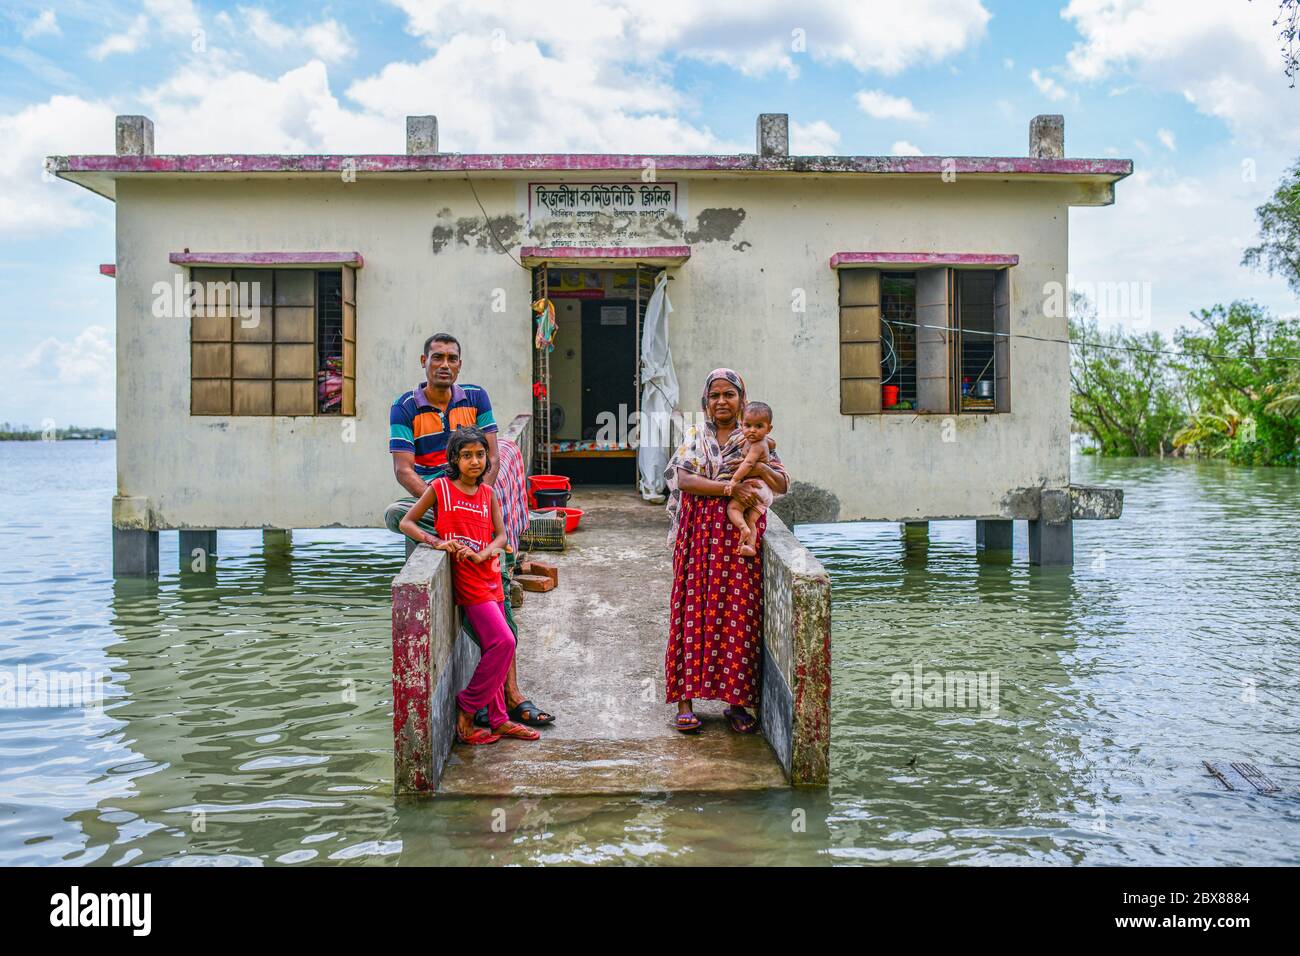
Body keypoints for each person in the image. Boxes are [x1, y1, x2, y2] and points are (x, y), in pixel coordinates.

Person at [384, 332, 555, 728]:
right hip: (436, 497)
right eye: (437, 357)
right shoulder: (405, 406)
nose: (445, 364)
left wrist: (477, 503)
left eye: (452, 358)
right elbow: (403, 469)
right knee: (396, 512)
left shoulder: (475, 397)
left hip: (477, 500)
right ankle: (497, 700)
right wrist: (447, 503)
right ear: (422, 360)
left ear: (460, 364)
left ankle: (511, 694)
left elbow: (492, 457)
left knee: (498, 603)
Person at [663, 369, 788, 734]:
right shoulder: (695, 436)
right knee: (690, 610)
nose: (722, 401)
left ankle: (735, 703)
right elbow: (682, 479)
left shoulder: (756, 438)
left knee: (739, 613)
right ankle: (685, 701)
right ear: (706, 402)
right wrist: (728, 491)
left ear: (742, 400)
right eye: (714, 395)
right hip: (698, 533)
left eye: (729, 395)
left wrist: (759, 466)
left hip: (738, 539)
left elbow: (782, 483)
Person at [399, 426, 539, 745]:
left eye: (479, 455)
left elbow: (501, 536)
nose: (474, 461)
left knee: (496, 648)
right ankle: (468, 704)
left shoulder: (488, 494)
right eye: (466, 456)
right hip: (469, 582)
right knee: (504, 642)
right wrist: (436, 542)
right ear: (454, 459)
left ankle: (500, 719)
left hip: (490, 575)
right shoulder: (441, 489)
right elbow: (407, 521)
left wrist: (487, 551)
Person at [723, 401, 776, 558]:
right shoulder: (757, 440)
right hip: (764, 491)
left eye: (759, 426)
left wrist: (733, 481)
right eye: (748, 426)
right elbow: (773, 443)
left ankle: (742, 528)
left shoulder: (757, 444)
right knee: (751, 520)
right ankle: (751, 547)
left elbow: (749, 463)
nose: (752, 430)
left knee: (733, 509)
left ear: (769, 429)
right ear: (741, 425)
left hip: (756, 486)